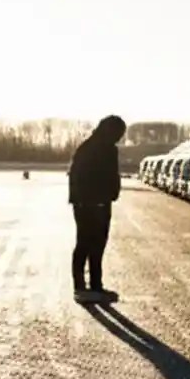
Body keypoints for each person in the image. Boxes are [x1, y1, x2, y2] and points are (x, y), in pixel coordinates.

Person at [68, 115, 126, 303]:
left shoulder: (92, 147)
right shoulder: (99, 149)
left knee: (94, 245)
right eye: (119, 133)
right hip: (92, 204)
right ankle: (83, 287)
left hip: (94, 203)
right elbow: (80, 176)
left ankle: (92, 286)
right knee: (87, 244)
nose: (120, 137)